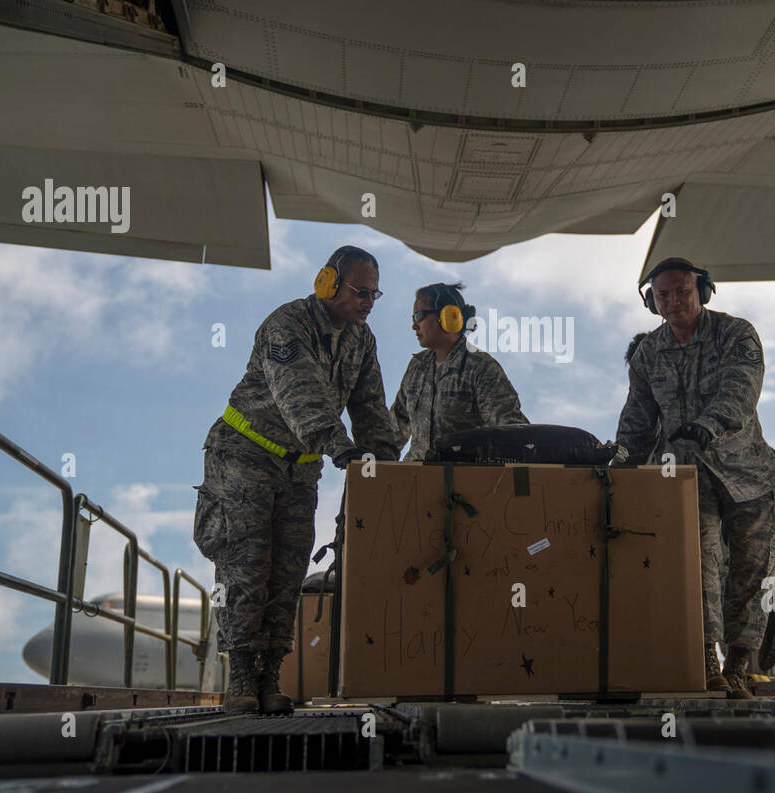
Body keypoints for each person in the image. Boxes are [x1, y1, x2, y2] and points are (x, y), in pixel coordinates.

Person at [193, 245, 400, 715]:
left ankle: (271, 679)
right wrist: (340, 445)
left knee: (288, 572)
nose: (368, 302)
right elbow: (300, 394)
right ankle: (241, 680)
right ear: (327, 282)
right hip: (245, 457)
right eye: (360, 291)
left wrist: (384, 464)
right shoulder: (287, 325)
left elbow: (371, 409)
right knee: (248, 569)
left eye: (375, 294)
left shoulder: (360, 341)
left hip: (301, 467)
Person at [613, 257, 775, 698]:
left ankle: (739, 667)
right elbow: (637, 418)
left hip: (748, 475)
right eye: (663, 295)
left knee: (752, 572)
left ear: (702, 292)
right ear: (652, 301)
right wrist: (618, 466)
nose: (674, 302)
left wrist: (710, 423)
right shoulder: (648, 354)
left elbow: (741, 389)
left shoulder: (736, 334)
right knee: (698, 562)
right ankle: (705, 659)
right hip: (687, 479)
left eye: (682, 292)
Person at [390, 282, 528, 460]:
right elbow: (393, 431)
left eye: (419, 316)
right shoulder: (417, 367)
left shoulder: (481, 367)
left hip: (463, 483)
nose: (414, 326)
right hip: (415, 480)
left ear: (448, 316)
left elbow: (513, 433)